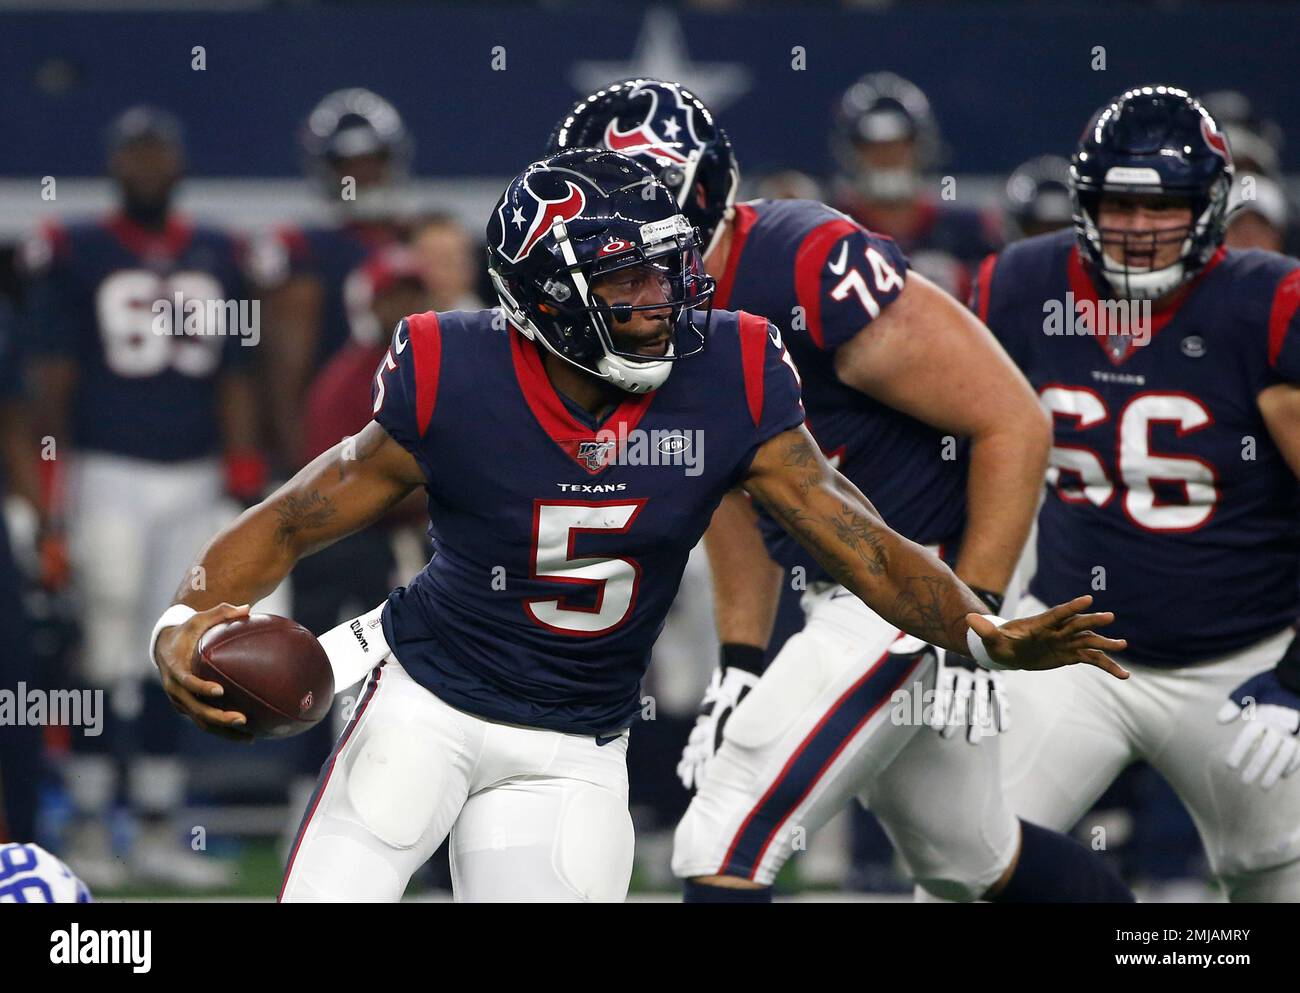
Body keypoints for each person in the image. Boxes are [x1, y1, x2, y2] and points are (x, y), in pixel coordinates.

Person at [151, 149, 1125, 903]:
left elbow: (857, 539)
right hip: (424, 706)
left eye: (667, 272)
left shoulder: (732, 370)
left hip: (573, 746)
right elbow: (287, 523)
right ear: (543, 302)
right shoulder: (456, 373)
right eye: (627, 284)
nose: (663, 301)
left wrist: (978, 629)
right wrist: (185, 622)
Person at [551, 77, 1133, 903]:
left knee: (724, 825)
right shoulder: (642, 315)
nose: (607, 237)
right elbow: (728, 488)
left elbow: (1013, 421)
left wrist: (977, 607)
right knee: (970, 858)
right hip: (847, 581)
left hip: (920, 571)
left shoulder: (801, 259)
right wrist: (741, 661)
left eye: (630, 206)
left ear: (698, 195)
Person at [972, 84, 1300, 902]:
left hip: (1245, 662)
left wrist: (1299, 674)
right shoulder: (1017, 286)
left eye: (1168, 206)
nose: (1141, 228)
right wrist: (960, 616)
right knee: (967, 862)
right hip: (1075, 649)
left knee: (1273, 880)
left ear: (1213, 207)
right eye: (1119, 202)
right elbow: (946, 447)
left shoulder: (1265, 302)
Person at [21, 105, 260, 889]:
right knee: (103, 646)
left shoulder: (219, 251)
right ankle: (91, 821)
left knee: (179, 645)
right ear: (115, 165)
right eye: (136, 155)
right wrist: (54, 485)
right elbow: (53, 374)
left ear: (181, 164)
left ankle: (157, 823)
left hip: (193, 473)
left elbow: (233, 372)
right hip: (108, 468)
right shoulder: (78, 250)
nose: (149, 168)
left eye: (161, 153)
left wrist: (241, 469)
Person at [251, 88, 413, 470]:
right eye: (349, 166)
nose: (364, 176)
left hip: (414, 425)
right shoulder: (303, 250)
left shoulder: (419, 239)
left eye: (374, 161)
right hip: (336, 432)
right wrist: (301, 468)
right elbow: (284, 375)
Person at [829, 72, 1001, 300]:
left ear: (921, 147)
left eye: (898, 146)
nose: (887, 158)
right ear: (852, 152)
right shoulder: (832, 226)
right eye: (873, 148)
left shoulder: (968, 231)